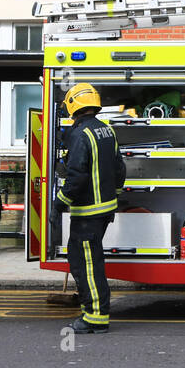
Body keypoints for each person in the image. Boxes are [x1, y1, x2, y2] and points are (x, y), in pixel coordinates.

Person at [56, 82, 124, 334]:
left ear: (74, 104)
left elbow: (77, 177)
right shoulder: (107, 131)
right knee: (92, 260)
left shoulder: (80, 134)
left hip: (88, 211)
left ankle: (95, 316)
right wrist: (113, 195)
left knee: (84, 264)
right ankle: (96, 312)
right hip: (104, 209)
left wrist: (59, 203)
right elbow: (119, 169)